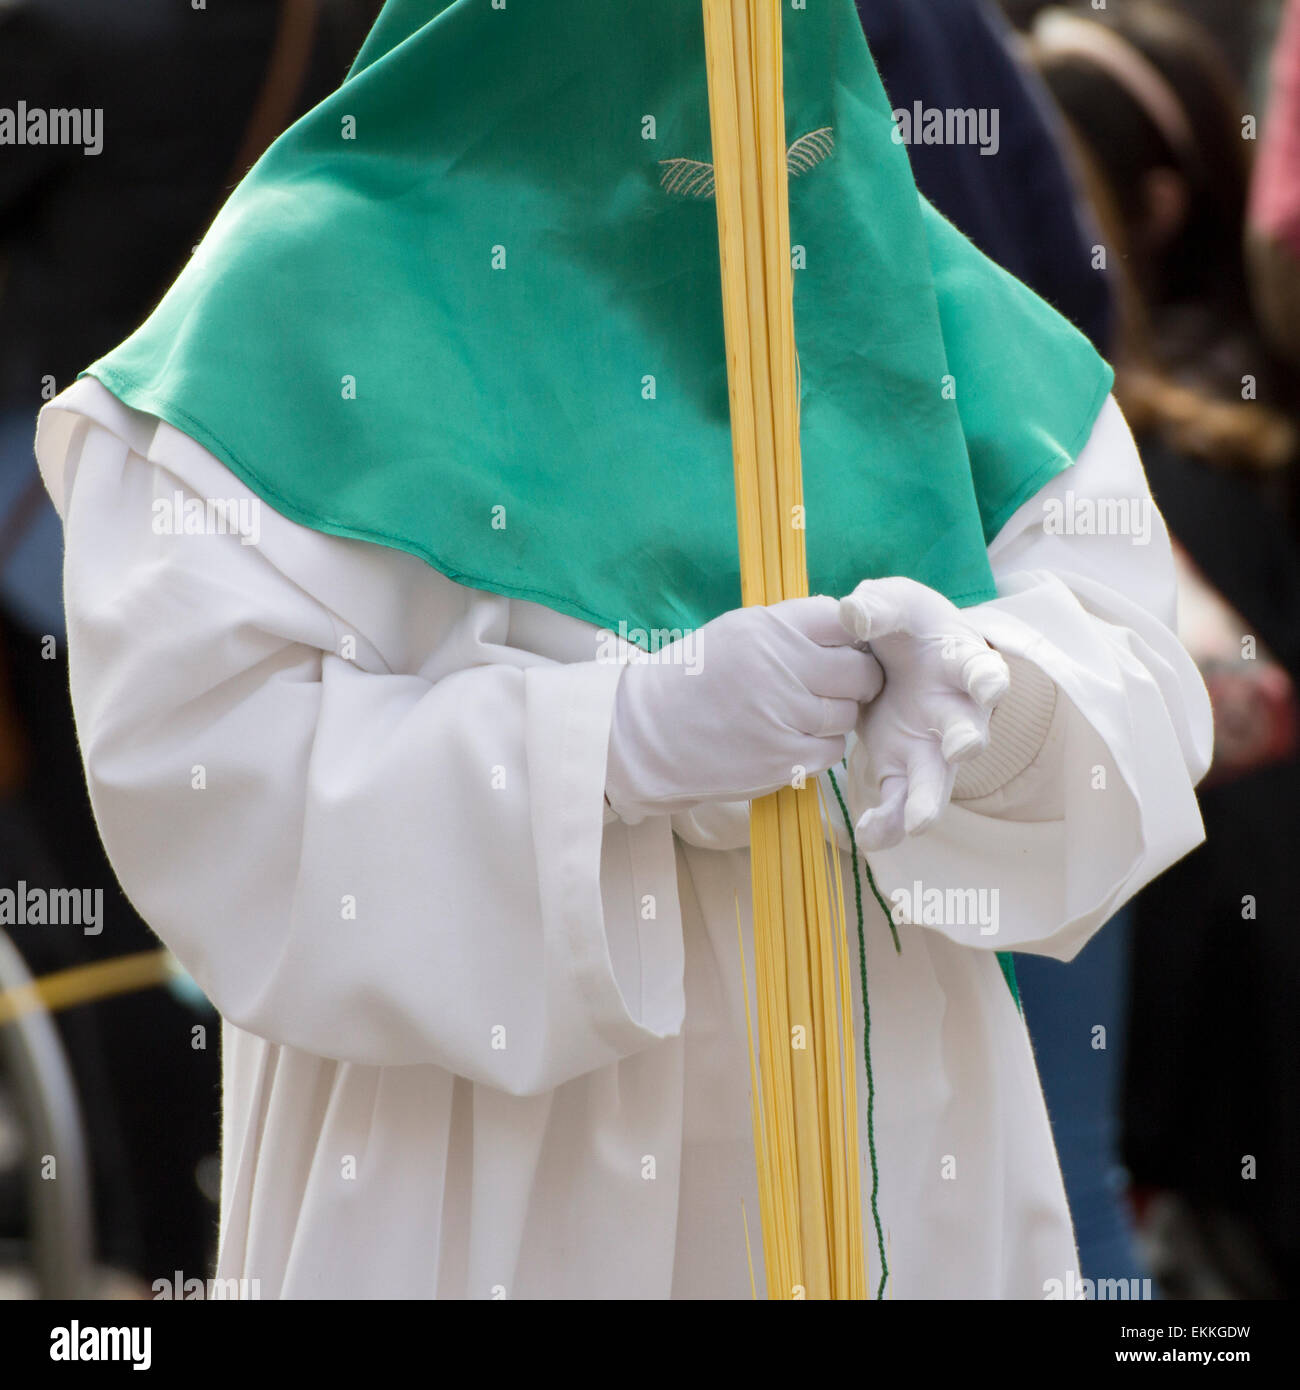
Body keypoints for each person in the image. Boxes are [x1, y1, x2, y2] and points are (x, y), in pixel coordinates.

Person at [33, 0, 1209, 1298]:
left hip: (903, 1157)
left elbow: (1133, 674)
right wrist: (612, 748)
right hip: (484, 1185)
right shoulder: (305, 301)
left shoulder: (915, 288)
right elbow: (203, 773)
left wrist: (998, 690)